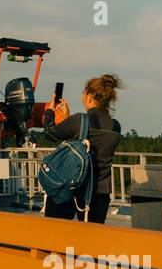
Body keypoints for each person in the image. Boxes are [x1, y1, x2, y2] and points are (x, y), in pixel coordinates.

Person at [43, 74, 124, 224]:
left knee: (57, 233)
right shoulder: (115, 126)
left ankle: (69, 249)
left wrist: (50, 111)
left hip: (72, 189)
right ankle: (78, 249)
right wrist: (70, 121)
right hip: (100, 193)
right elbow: (94, 141)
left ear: (88, 96)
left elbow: (49, 133)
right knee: (91, 241)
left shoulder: (79, 120)